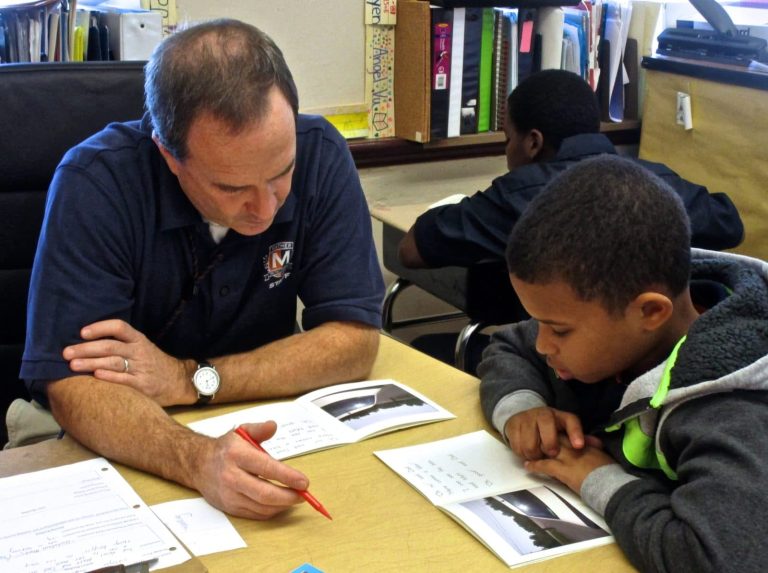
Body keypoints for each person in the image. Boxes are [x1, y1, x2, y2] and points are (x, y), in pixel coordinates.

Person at [19, 19, 385, 519]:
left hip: (265, 424)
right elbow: (74, 387)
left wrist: (191, 379)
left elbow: (354, 338)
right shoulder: (95, 182)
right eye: (232, 189)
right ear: (169, 156)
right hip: (134, 446)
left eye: (281, 174)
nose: (265, 209)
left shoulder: (320, 151)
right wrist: (196, 459)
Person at [479, 154, 768, 571]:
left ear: (650, 312)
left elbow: (717, 559)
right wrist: (524, 409)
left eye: (558, 331)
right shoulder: (613, 322)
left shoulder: (730, 408)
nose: (543, 344)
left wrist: (596, 478)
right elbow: (510, 346)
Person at [398, 69, 744, 269]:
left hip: (559, 364)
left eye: (508, 139)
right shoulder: (656, 181)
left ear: (532, 142)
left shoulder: (519, 197)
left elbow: (411, 251)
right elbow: (729, 225)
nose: (507, 150)